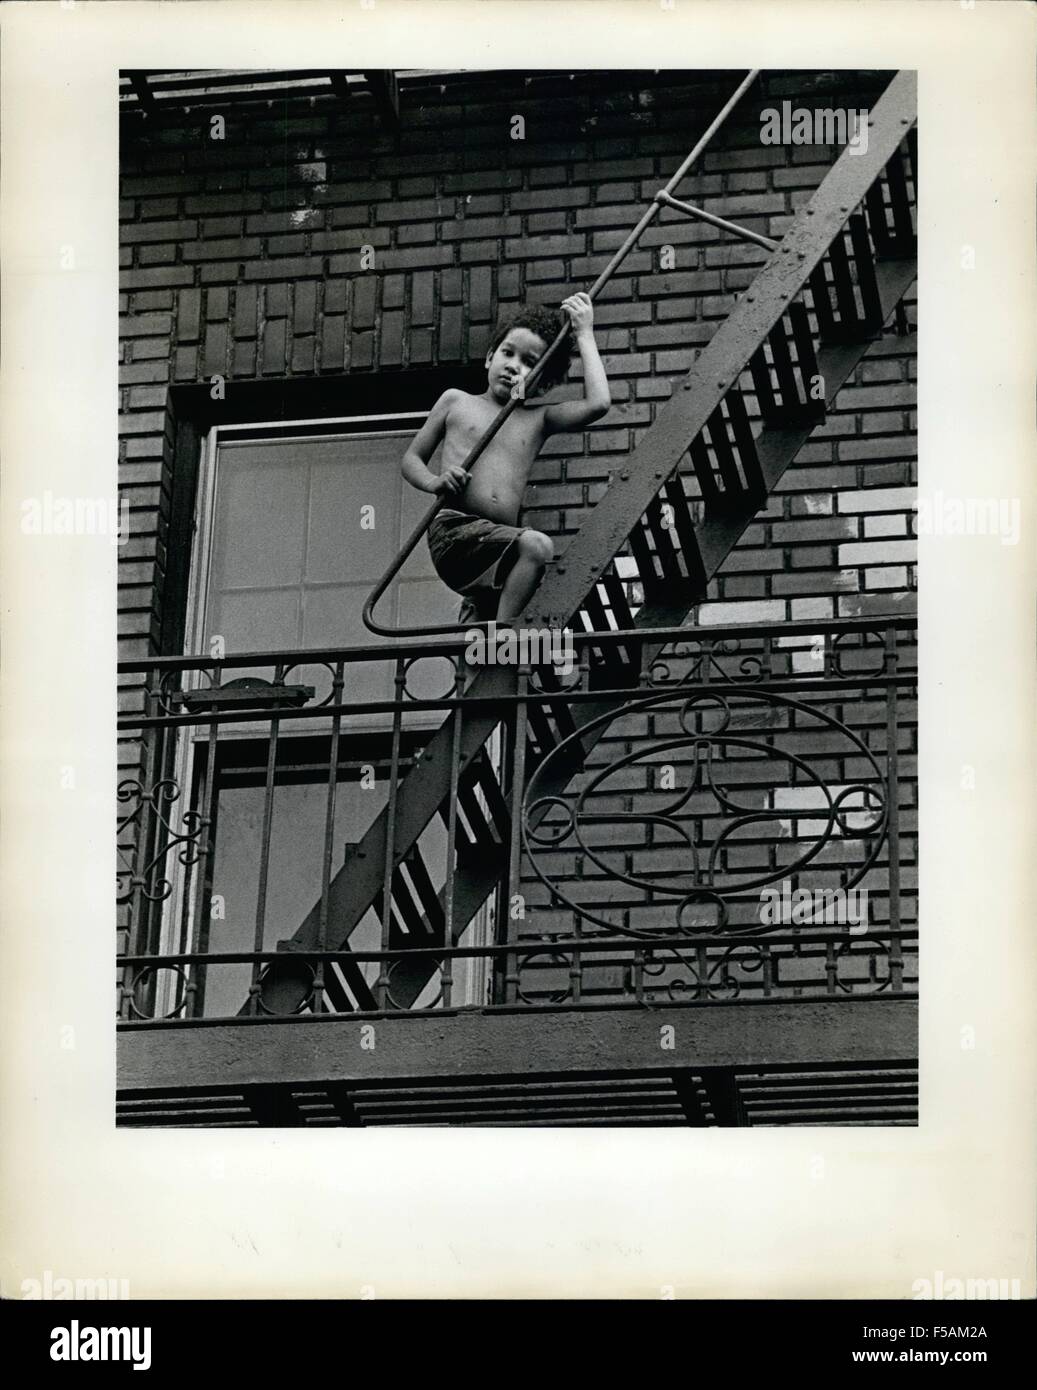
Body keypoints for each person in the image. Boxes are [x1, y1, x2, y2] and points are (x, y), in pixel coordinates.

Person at [401, 293, 611, 625]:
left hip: (500, 543)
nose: (514, 365)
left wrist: (584, 333)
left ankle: (484, 634)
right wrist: (435, 481)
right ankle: (504, 632)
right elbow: (411, 459)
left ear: (542, 384)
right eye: (507, 353)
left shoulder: (537, 420)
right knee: (538, 548)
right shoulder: (456, 401)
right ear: (489, 358)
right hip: (456, 531)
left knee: (478, 652)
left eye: (529, 362)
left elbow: (598, 404)